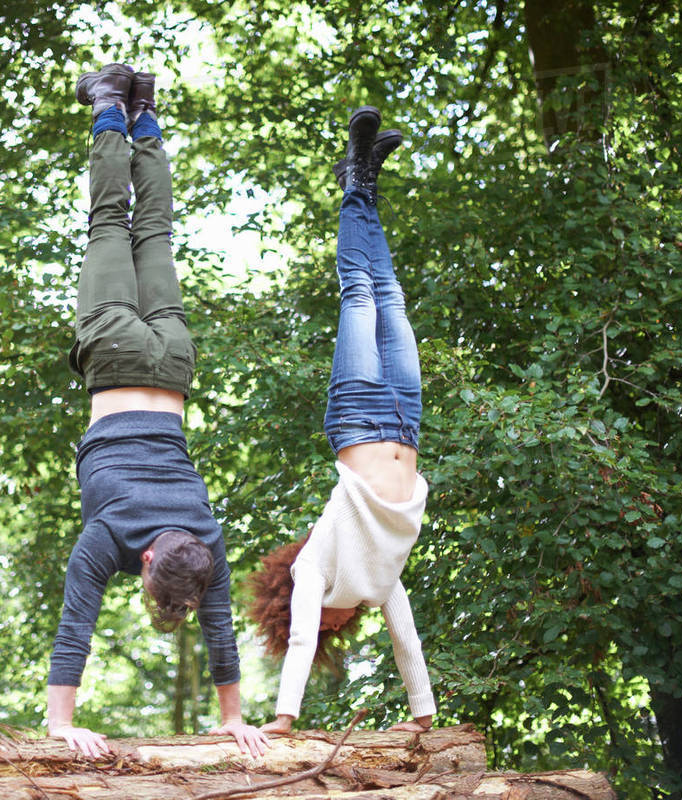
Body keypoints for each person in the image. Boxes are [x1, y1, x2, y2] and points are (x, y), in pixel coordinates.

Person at [47, 63, 269, 759]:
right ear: (147, 560)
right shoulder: (111, 534)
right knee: (109, 221)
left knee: (158, 233)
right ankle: (110, 102)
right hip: (113, 353)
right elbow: (73, 626)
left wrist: (235, 717)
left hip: (172, 360)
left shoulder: (206, 539)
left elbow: (221, 629)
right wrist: (59, 722)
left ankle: (144, 111)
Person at [248, 106, 436, 735]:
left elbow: (300, 641)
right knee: (392, 295)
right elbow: (407, 643)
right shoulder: (381, 585)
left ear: (286, 605)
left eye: (316, 621)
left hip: (356, 420)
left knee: (358, 290)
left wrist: (283, 717)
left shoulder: (314, 571)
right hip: (405, 423)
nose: (329, 625)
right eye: (336, 629)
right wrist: (423, 717)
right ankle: (365, 185)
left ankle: (356, 181)